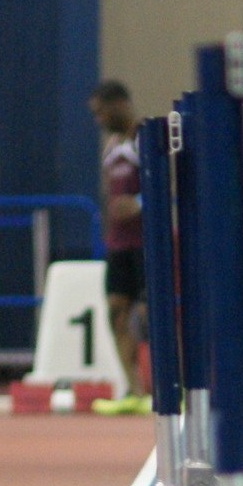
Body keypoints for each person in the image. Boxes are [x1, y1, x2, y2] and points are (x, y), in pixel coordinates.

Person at [86, 80, 149, 415]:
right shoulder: (110, 146)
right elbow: (110, 195)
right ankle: (134, 390)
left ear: (119, 104)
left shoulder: (145, 138)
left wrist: (139, 203)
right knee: (115, 312)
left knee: (149, 316)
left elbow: (172, 184)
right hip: (119, 244)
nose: (98, 120)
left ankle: (169, 387)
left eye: (100, 112)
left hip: (148, 240)